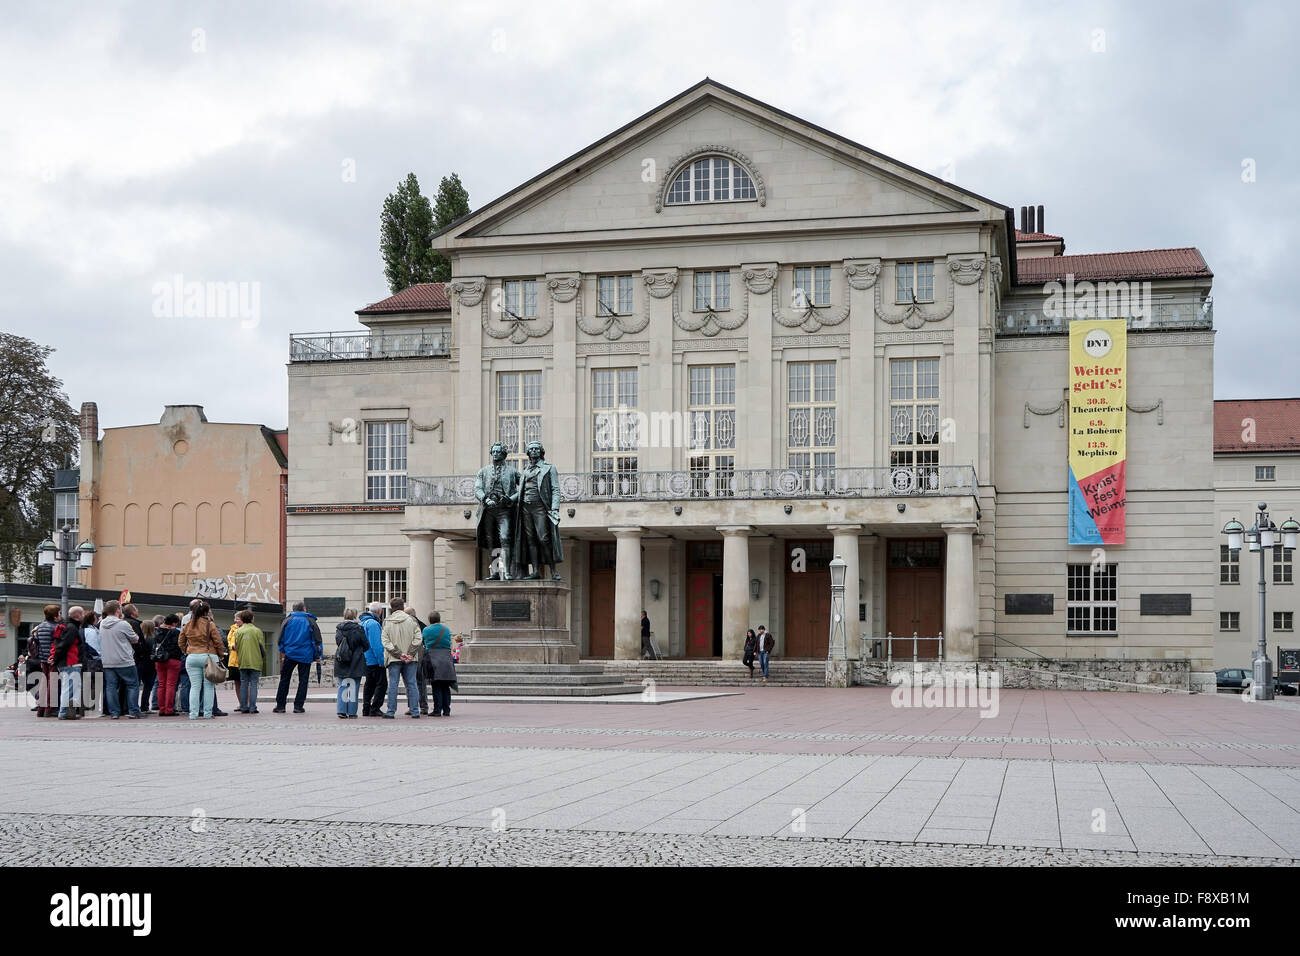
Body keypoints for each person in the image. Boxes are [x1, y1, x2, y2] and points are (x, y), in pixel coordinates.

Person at [179, 600, 226, 720]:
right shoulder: (209, 624)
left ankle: (193, 714)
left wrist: (187, 651)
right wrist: (220, 654)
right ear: (206, 612)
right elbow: (218, 641)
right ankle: (207, 713)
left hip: (192, 657)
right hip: (208, 656)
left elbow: (181, 642)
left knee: (194, 687)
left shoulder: (188, 624)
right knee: (208, 687)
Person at [274, 601, 322, 714]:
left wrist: (284, 651)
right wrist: (317, 656)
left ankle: (280, 705)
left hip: (290, 654)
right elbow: (317, 641)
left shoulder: (287, 620)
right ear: (304, 609)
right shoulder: (310, 621)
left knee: (284, 680)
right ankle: (298, 706)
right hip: (305, 655)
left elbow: (280, 638)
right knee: (303, 681)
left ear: (293, 609)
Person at [99, 600, 142, 719]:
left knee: (111, 686)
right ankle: (133, 711)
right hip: (124, 659)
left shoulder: (101, 623)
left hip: (107, 660)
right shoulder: (123, 624)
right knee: (132, 685)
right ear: (118, 610)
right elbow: (135, 639)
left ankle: (114, 712)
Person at [380, 596, 421, 718]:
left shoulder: (387, 621)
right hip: (410, 659)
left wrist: (398, 653)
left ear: (391, 608)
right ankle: (415, 711)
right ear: (403, 606)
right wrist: (410, 653)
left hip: (394, 658)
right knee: (412, 684)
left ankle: (391, 711)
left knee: (393, 684)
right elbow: (418, 638)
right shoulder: (411, 620)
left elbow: (385, 641)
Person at [334, 609, 369, 719]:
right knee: (354, 686)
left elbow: (338, 642)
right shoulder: (358, 628)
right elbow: (366, 645)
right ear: (354, 616)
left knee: (342, 685)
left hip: (342, 659)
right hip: (356, 660)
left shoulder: (339, 629)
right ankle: (352, 712)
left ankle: (341, 710)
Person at [421, 611, 457, 717]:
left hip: (433, 658)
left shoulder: (426, 630)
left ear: (429, 620)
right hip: (446, 658)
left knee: (436, 685)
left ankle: (437, 710)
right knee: (446, 685)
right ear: (439, 619)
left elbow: (424, 642)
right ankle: (447, 710)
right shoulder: (446, 629)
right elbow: (449, 643)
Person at [52, 608, 87, 719]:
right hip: (71, 662)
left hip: (67, 662)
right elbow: (65, 645)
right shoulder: (72, 628)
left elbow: (59, 644)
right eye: (83, 614)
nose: (84, 616)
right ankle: (64, 712)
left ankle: (67, 712)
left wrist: (55, 658)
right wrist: (56, 658)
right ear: (78, 616)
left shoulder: (67, 626)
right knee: (70, 688)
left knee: (69, 687)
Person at [231, 610, 266, 714]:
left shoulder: (238, 631)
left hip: (242, 661)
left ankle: (243, 706)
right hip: (255, 661)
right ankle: (252, 707)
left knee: (244, 684)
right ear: (252, 619)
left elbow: (236, 647)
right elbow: (262, 647)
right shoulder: (257, 631)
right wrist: (262, 657)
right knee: (254, 684)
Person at [124, 604, 156, 714]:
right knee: (147, 686)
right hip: (149, 664)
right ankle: (144, 706)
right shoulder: (152, 639)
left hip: (138, 662)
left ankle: (132, 706)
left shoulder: (139, 635)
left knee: (135, 685)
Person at [152, 614, 184, 716]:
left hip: (159, 659)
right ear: (174, 623)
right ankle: (169, 709)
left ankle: (161, 709)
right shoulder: (175, 632)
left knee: (161, 684)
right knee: (170, 685)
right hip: (173, 659)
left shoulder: (157, 631)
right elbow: (180, 645)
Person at [32, 605, 60, 717]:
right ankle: (50, 708)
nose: (60, 615)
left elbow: (38, 643)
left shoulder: (40, 627)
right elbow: (56, 644)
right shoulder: (55, 627)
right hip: (52, 659)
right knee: (52, 684)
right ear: (54, 615)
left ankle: (41, 709)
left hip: (43, 659)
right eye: (59, 613)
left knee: (44, 683)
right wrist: (54, 657)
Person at [359, 602, 386, 717]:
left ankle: (366, 708)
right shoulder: (373, 624)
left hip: (366, 658)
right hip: (374, 659)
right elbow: (376, 645)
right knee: (382, 684)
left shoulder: (363, 622)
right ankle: (375, 708)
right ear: (379, 612)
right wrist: (381, 661)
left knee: (369, 684)